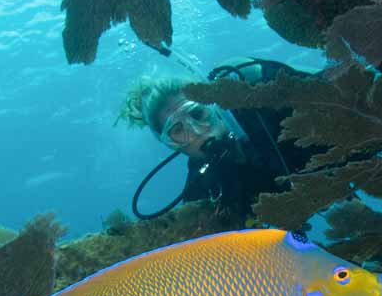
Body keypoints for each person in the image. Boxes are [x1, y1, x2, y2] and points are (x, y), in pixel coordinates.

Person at [121, 57, 313, 220]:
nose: (197, 132)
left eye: (197, 114)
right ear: (172, 145)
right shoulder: (204, 191)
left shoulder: (265, 108)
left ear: (214, 107)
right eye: (178, 130)